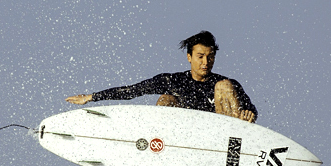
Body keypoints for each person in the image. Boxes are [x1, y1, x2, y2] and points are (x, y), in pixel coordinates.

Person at [65, 30, 257, 122]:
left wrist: (249, 114)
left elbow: (251, 110)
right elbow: (133, 91)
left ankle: (231, 140)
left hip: (221, 134)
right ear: (189, 57)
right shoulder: (173, 81)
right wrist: (92, 97)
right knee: (165, 99)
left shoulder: (225, 84)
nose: (205, 62)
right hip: (187, 134)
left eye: (210, 57)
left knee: (224, 86)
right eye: (200, 57)